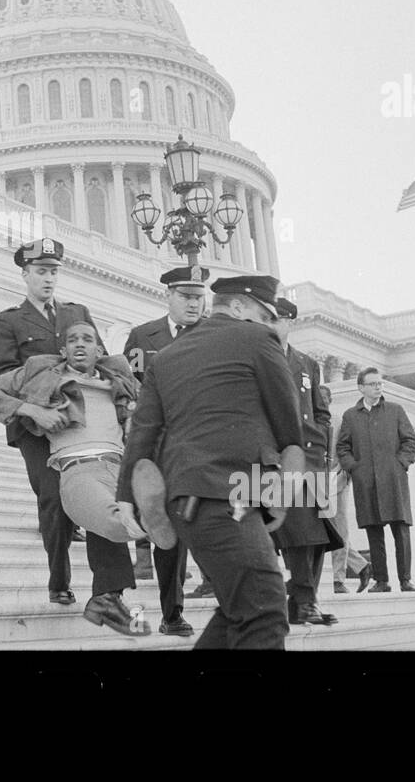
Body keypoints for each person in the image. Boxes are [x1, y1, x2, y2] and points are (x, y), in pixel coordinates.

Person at [117, 274, 305, 650]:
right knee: (266, 610)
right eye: (265, 315)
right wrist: (289, 489)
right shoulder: (258, 339)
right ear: (238, 308)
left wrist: (126, 496)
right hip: (229, 495)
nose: (272, 325)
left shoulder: (167, 356)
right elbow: (289, 428)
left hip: (186, 498)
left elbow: (144, 430)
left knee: (239, 611)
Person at [0, 321, 150, 636]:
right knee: (114, 518)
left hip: (119, 467)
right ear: (63, 350)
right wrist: (31, 410)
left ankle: (106, 598)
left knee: (145, 511)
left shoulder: (120, 381)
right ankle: (97, 589)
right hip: (78, 468)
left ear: (99, 350)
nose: (80, 344)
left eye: (88, 339)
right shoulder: (41, 375)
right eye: (72, 340)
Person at [0, 238, 104, 606]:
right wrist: (42, 398)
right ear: (25, 274)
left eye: (54, 271)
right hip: (35, 426)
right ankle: (59, 579)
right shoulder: (7, 320)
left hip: (78, 422)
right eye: (41, 271)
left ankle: (105, 585)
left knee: (89, 494)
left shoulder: (78, 313)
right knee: (52, 497)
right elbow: (5, 372)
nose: (48, 278)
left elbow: (97, 358)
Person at [121, 264, 210, 635]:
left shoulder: (212, 336)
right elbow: (126, 387)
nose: (193, 304)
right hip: (159, 452)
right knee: (168, 535)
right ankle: (172, 614)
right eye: (186, 297)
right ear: (168, 296)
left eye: (199, 297)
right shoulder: (144, 337)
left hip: (203, 449)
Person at [268, 297, 343, 626]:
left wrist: (325, 454)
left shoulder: (307, 363)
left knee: (318, 535)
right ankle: (305, 601)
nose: (273, 325)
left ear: (289, 323)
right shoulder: (258, 358)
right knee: (300, 530)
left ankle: (301, 603)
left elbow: (321, 411)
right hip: (278, 458)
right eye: (268, 319)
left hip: (313, 458)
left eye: (279, 320)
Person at [335, 367, 415, 592]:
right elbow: (343, 447)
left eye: (379, 383)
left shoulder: (395, 410)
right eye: (372, 384)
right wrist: (355, 469)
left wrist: (400, 463)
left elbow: (410, 441)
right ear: (361, 387)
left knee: (401, 530)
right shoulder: (350, 416)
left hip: (394, 480)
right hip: (366, 483)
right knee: (374, 532)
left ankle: (405, 579)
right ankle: (381, 581)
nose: (377, 387)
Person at [322, 384, 373, 594]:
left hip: (337, 480)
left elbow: (348, 450)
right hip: (314, 482)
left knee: (339, 528)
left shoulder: (340, 421)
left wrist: (339, 475)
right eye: (318, 398)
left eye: (324, 398)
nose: (321, 401)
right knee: (326, 530)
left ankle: (338, 579)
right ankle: (361, 565)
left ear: (330, 400)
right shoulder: (307, 421)